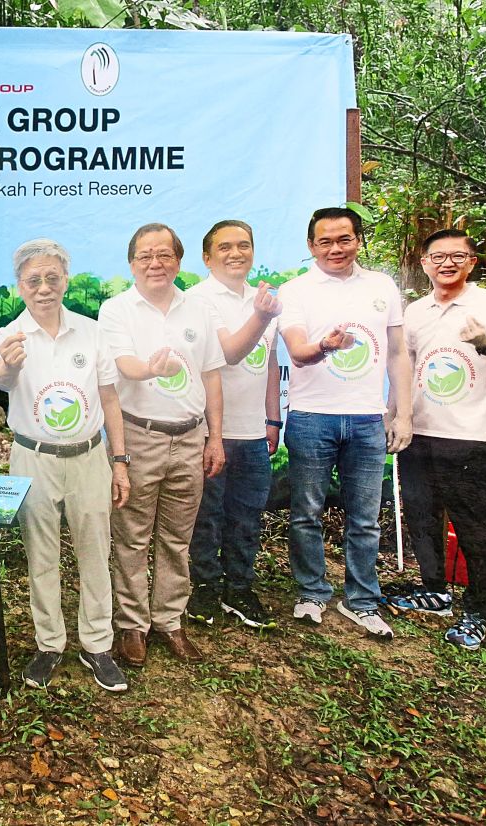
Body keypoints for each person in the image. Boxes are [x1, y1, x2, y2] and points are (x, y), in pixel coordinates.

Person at [0, 238, 131, 692]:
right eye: (34, 280)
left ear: (65, 280)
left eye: (53, 278)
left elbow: (109, 397)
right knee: (41, 556)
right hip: (33, 459)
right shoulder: (9, 337)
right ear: (20, 287)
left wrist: (120, 461)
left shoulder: (91, 333)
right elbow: (2, 377)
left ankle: (97, 646)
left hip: (90, 456)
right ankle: (49, 644)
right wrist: (9, 366)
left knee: (95, 552)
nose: (44, 288)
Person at [386, 229, 486, 650]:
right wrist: (394, 416)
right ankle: (435, 590)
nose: (447, 263)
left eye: (457, 256)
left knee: (473, 524)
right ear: (425, 263)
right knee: (421, 516)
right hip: (417, 432)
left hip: (466, 436)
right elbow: (404, 371)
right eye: (438, 256)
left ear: (471, 261)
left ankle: (479, 609)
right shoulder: (415, 312)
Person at [277, 206, 412, 641]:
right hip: (312, 416)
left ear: (358, 240)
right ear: (311, 245)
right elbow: (297, 350)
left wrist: (401, 411)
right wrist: (324, 346)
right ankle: (312, 592)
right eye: (325, 241)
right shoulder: (296, 291)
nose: (335, 249)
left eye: (344, 239)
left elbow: (397, 353)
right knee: (306, 513)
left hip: (367, 418)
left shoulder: (382, 286)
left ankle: (362, 600)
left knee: (366, 518)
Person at [99, 223, 226, 666]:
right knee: (132, 536)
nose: (155, 263)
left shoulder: (199, 310)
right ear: (132, 263)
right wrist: (150, 369)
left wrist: (215, 436)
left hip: (190, 438)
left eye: (164, 254)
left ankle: (170, 620)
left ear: (178, 260)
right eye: (145, 256)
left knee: (177, 537)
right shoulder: (116, 310)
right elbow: (123, 366)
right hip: (139, 436)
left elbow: (211, 374)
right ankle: (132, 625)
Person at [185, 220, 283, 629]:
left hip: (254, 431)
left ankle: (239, 588)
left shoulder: (263, 299)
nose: (235, 253)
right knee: (207, 516)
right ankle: (204, 587)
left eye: (244, 245)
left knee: (247, 514)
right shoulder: (198, 301)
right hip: (211, 432)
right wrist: (261, 317)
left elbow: (270, 363)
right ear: (208, 257)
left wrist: (273, 418)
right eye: (224, 247)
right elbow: (229, 354)